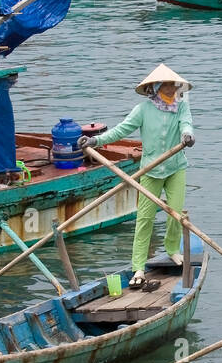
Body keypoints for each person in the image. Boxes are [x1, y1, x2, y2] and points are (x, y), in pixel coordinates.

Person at [79, 64, 195, 288]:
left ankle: (172, 249)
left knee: (175, 213)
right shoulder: (143, 109)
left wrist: (187, 135)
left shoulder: (181, 107)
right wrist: (96, 141)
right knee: (144, 218)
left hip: (175, 166)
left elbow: (186, 125)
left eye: (174, 84)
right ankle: (138, 266)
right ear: (157, 86)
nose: (173, 88)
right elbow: (121, 130)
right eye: (168, 84)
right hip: (151, 170)